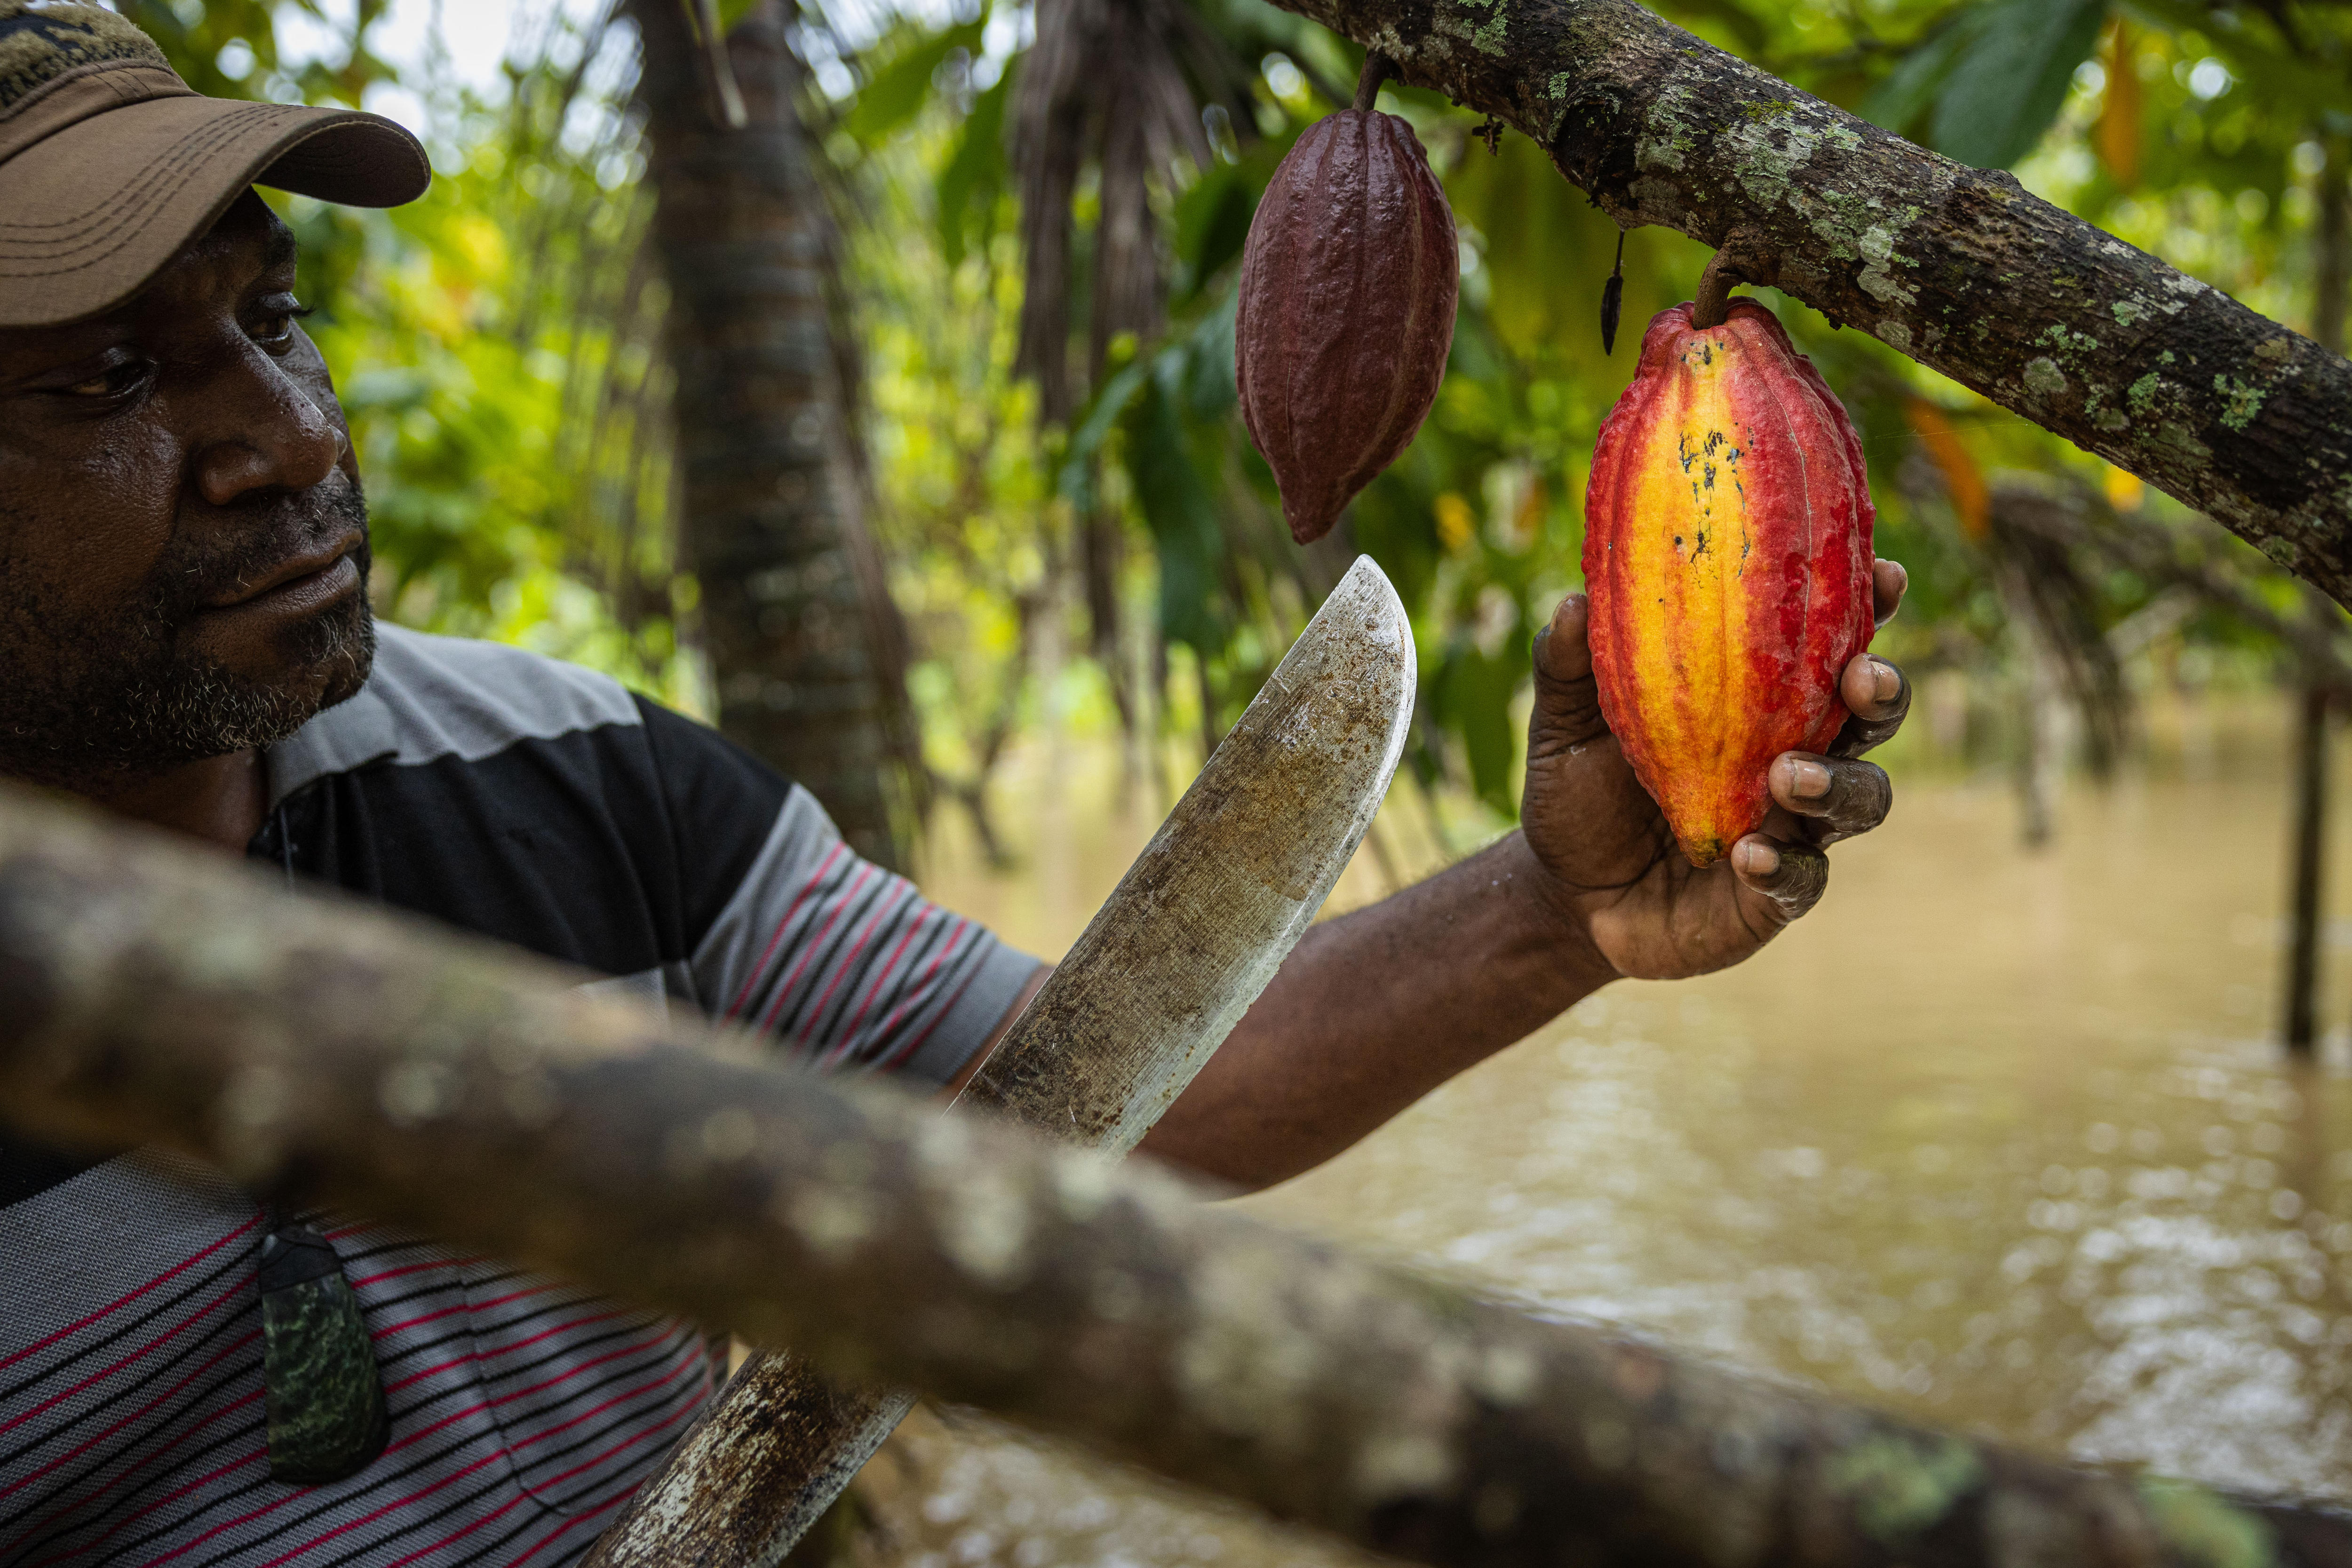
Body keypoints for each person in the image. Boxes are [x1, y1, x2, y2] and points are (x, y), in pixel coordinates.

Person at [0, 2, 1911, 1562]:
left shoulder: (562, 770)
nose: (283, 434)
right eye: (104, 382)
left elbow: (1084, 1109)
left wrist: (1546, 911)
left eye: (270, 316)